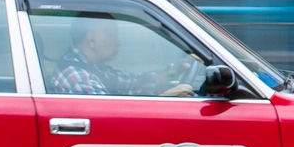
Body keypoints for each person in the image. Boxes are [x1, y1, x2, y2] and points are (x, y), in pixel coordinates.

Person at [48, 17, 197, 98]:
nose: (118, 42)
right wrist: (165, 98)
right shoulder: (80, 77)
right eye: (111, 34)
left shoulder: (93, 67)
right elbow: (111, 119)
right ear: (91, 39)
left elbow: (130, 83)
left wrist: (172, 72)